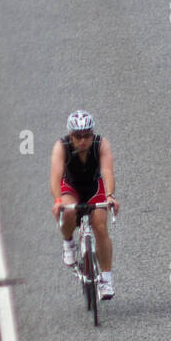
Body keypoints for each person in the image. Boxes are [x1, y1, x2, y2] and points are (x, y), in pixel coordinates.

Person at [50, 110, 119, 299]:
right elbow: (55, 176)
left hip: (93, 188)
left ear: (92, 134)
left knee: (100, 227)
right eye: (78, 136)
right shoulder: (61, 146)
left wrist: (111, 196)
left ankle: (106, 278)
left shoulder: (101, 144)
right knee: (68, 211)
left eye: (87, 135)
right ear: (70, 135)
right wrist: (57, 202)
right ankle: (68, 242)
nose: (83, 140)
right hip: (70, 188)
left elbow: (107, 171)